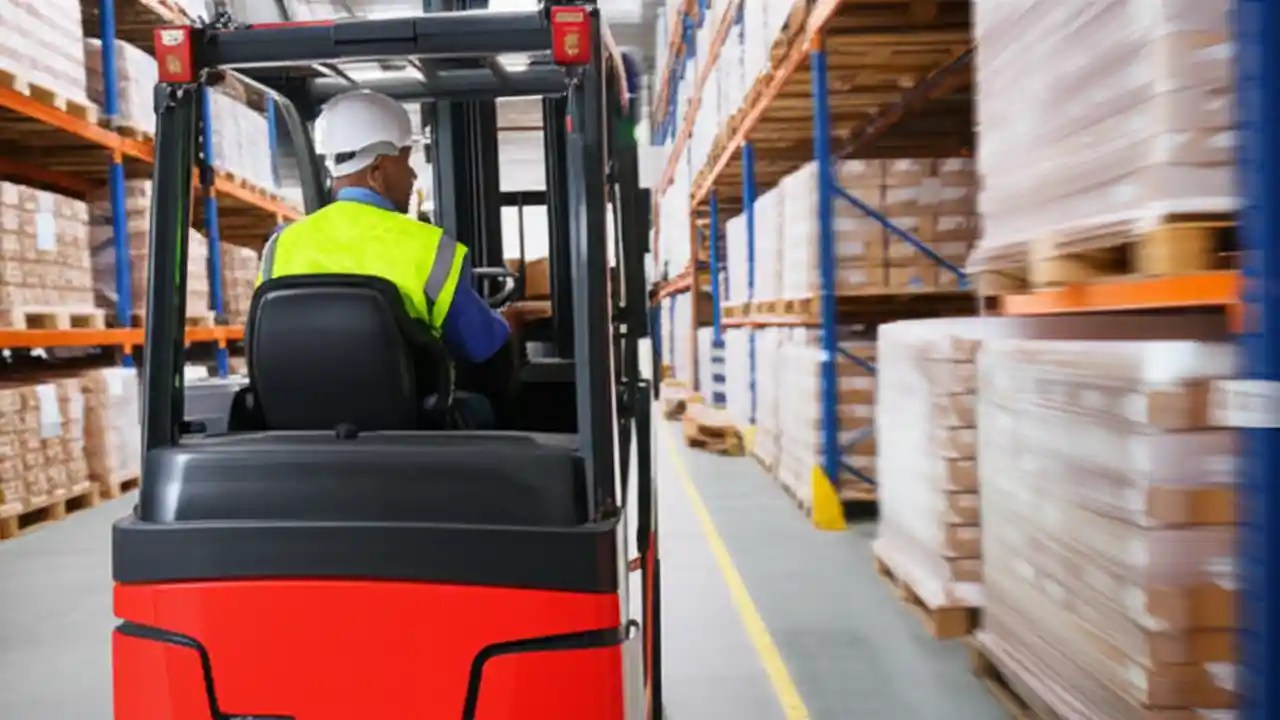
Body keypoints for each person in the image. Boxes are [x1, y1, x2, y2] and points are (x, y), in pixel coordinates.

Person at [256, 89, 511, 428]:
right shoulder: (430, 248)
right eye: (407, 162)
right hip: (407, 431)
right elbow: (480, 347)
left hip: (298, 429)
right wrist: (511, 324)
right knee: (483, 404)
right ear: (378, 170)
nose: (413, 177)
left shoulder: (281, 246)